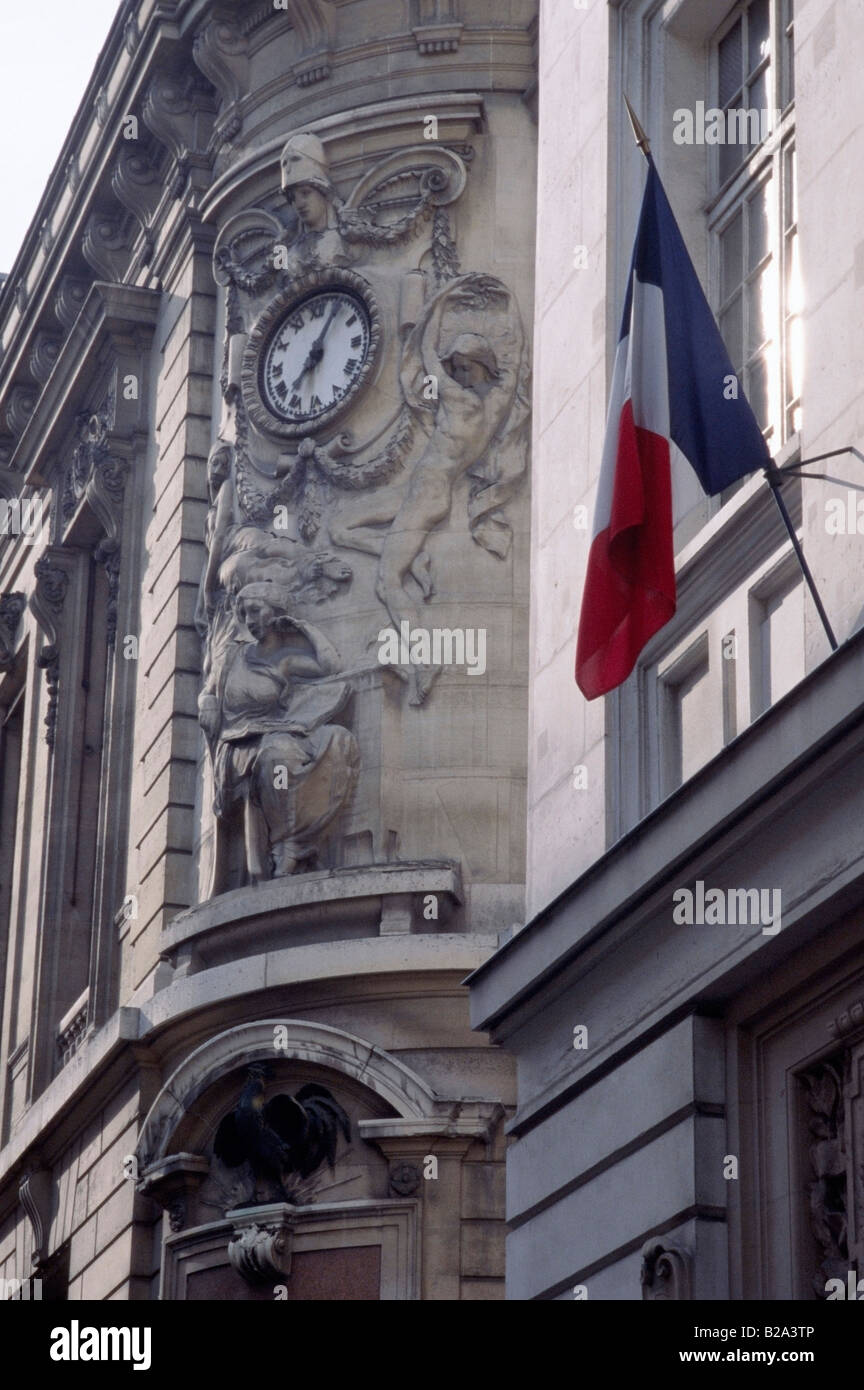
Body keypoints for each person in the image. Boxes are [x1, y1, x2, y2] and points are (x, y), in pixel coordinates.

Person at [200, 582, 359, 883]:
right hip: (238, 744)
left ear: (275, 613)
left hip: (276, 732)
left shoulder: (285, 661)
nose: (249, 620)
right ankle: (284, 847)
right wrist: (207, 703)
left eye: (256, 611)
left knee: (336, 738)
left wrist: (304, 628)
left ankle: (302, 837)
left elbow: (332, 666)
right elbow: (208, 691)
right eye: (244, 614)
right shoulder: (232, 656)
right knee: (276, 758)